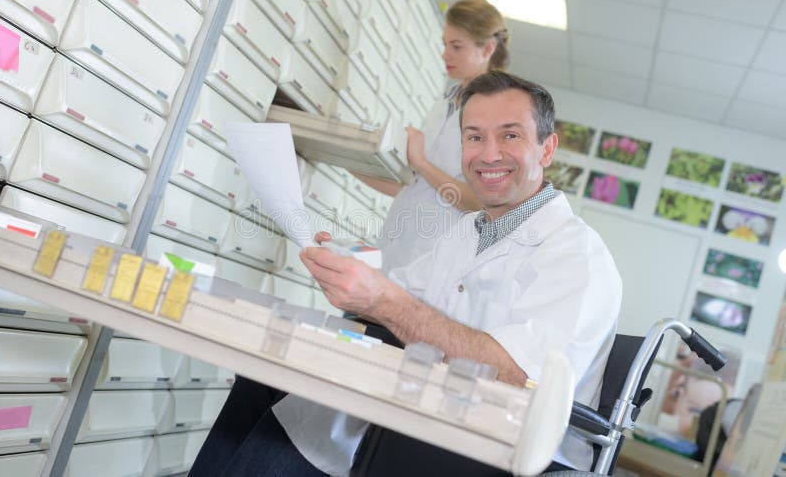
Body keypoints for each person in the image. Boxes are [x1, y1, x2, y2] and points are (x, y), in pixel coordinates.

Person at [190, 72, 622, 476]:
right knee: (266, 379)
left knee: (304, 419)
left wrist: (383, 299)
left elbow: (515, 377)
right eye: (474, 137)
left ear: (546, 148)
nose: (489, 154)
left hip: (492, 448)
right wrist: (348, 266)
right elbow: (404, 300)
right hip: (425, 409)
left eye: (510, 135)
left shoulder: (578, 256)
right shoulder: (469, 230)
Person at [354, 0, 511, 275]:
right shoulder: (446, 100)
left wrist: (423, 163)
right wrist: (347, 157)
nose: (445, 55)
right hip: (394, 249)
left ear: (487, 49)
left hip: (433, 265)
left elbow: (481, 202)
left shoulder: (497, 115)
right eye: (445, 44)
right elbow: (415, 186)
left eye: (456, 46)